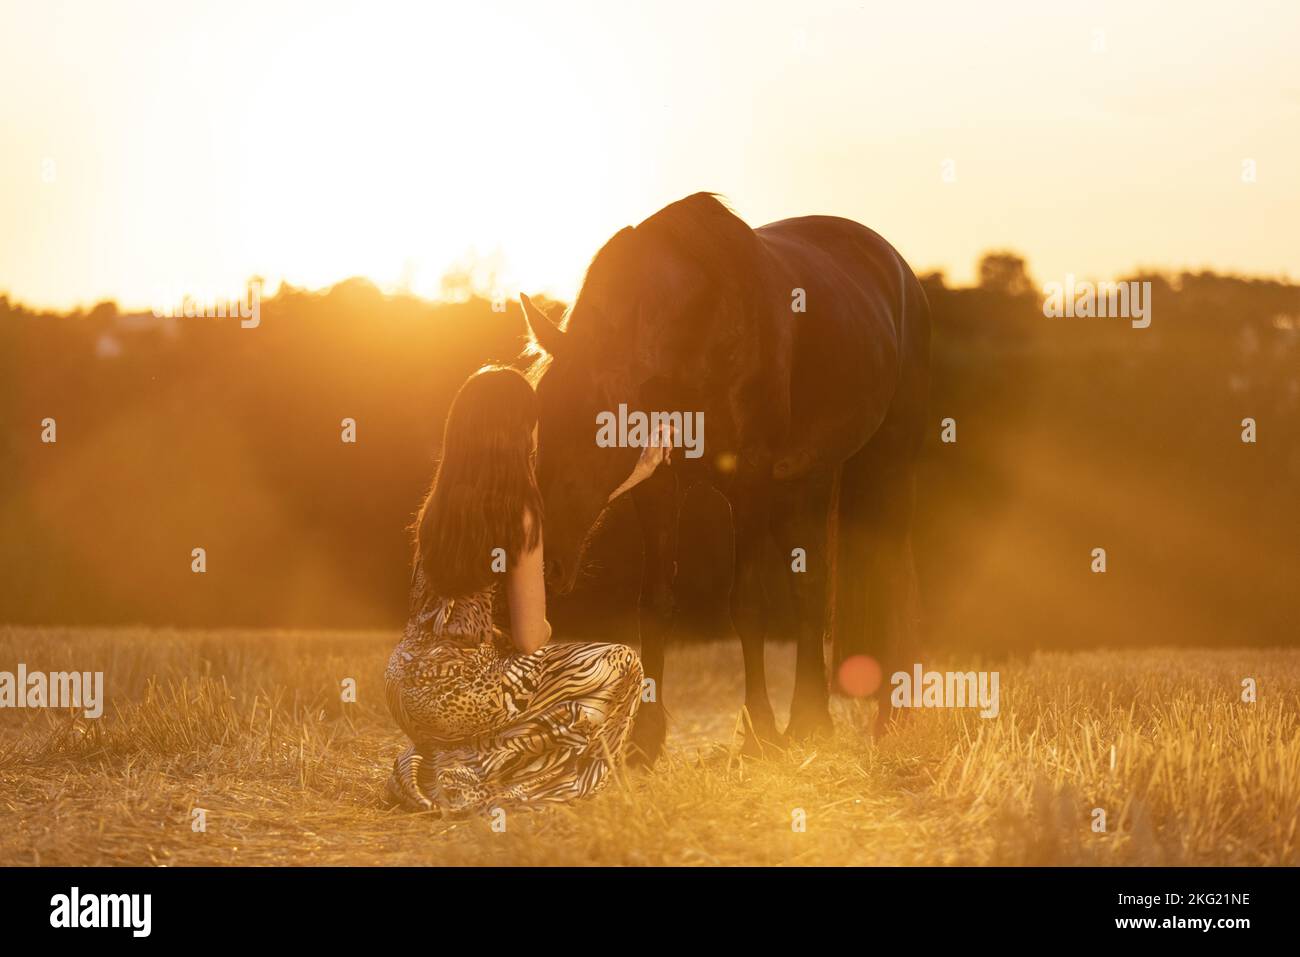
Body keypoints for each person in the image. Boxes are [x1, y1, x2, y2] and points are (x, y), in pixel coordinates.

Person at [385, 365, 669, 813]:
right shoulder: (519, 511)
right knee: (622, 664)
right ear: (520, 431)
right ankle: (476, 772)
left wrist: (634, 476)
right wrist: (544, 629)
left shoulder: (436, 507)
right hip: (464, 695)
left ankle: (429, 760)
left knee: (512, 676)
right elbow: (530, 637)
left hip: (403, 686)